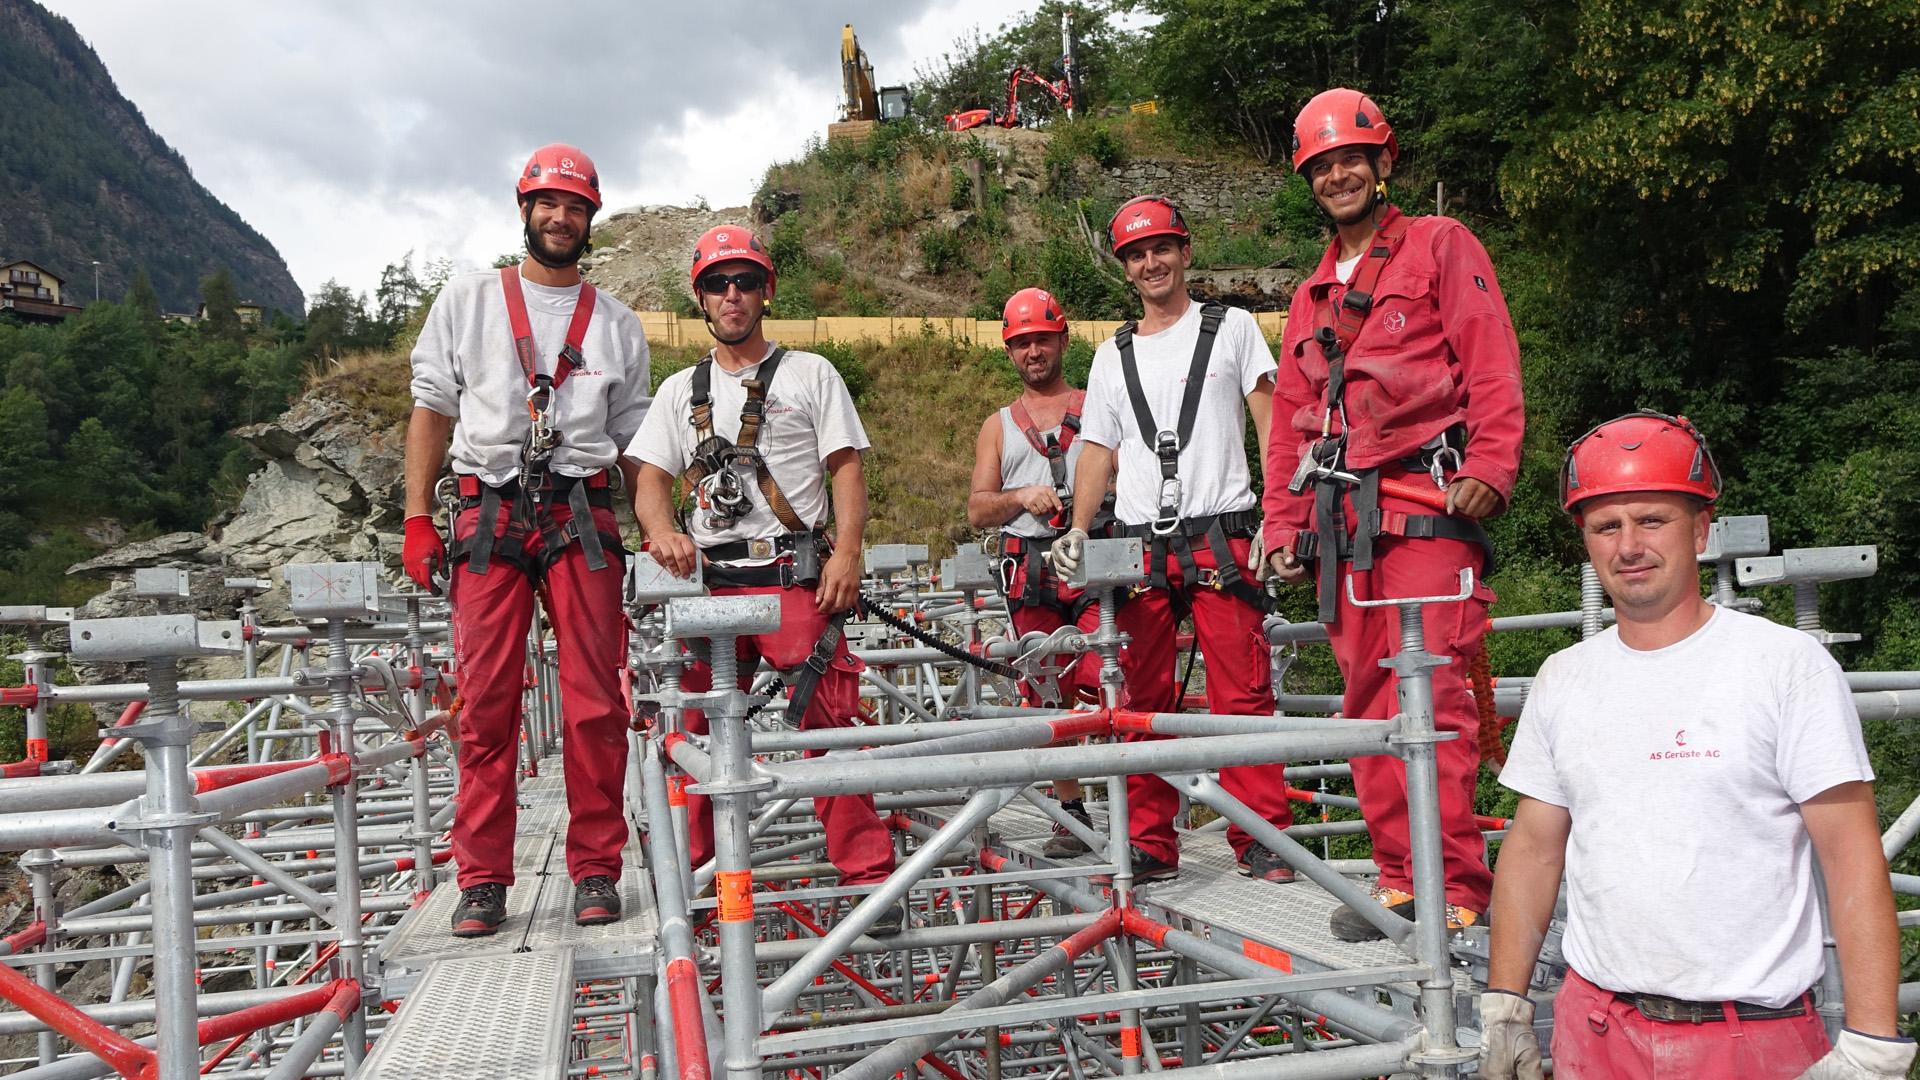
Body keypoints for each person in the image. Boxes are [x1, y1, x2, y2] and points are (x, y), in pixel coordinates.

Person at [1479, 412, 1915, 1080]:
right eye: (1606, 525)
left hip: (1748, 1044)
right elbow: (1535, 849)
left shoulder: (1783, 666)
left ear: (1701, 529)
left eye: (1652, 520)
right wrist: (1506, 1005)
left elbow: (1852, 858)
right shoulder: (1565, 679)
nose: (1629, 545)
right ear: (1586, 541)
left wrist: (1872, 1043)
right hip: (1595, 1033)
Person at [1263, 88, 1523, 940]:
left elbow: (1489, 358)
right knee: (1366, 702)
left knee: (1434, 692)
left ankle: (1456, 884)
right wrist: (1282, 522)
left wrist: (1490, 463)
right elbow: (1290, 423)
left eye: (1350, 158)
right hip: (1345, 522)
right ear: (1309, 179)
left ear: (1382, 163)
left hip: (1424, 502)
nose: (1337, 173)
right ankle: (1400, 878)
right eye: (1321, 164)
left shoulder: (1441, 247)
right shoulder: (1309, 298)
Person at [402, 143, 651, 936]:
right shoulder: (470, 300)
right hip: (491, 511)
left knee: (593, 703)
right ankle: (481, 879)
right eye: (549, 203)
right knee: (484, 705)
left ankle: (596, 869)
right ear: (524, 209)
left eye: (575, 207)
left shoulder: (616, 324)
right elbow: (433, 409)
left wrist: (664, 528)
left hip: (580, 509)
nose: (560, 217)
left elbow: (638, 442)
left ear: (590, 221)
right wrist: (415, 516)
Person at [627, 224, 900, 934]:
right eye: (718, 283)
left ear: (766, 289)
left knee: (831, 721)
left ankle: (869, 875)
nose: (733, 295)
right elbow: (650, 479)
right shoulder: (676, 393)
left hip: (789, 577)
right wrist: (661, 532)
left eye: (745, 281)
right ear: (701, 297)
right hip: (709, 585)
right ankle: (693, 889)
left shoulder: (810, 374)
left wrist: (846, 552)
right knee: (692, 736)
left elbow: (845, 466)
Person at [1049, 195, 1295, 885]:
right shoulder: (1111, 357)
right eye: (1136, 254)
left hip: (1222, 533)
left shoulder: (1235, 330)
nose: (1150, 262)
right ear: (1125, 269)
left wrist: (1281, 512)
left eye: (1161, 248)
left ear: (1185, 253)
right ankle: (1152, 842)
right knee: (1138, 698)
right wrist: (1076, 527)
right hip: (1139, 546)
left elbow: (1270, 423)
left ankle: (1261, 836)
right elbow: (1096, 450)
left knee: (1243, 693)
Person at [967, 287, 1103, 858]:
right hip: (1030, 568)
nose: (1033, 351)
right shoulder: (999, 426)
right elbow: (978, 507)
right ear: (1008, 351)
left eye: (1042, 339)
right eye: (1021, 343)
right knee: (1046, 685)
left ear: (1063, 339)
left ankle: (1137, 799)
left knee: (1109, 672)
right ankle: (1069, 808)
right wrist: (1022, 496)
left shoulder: (1099, 406)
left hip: (1095, 561)